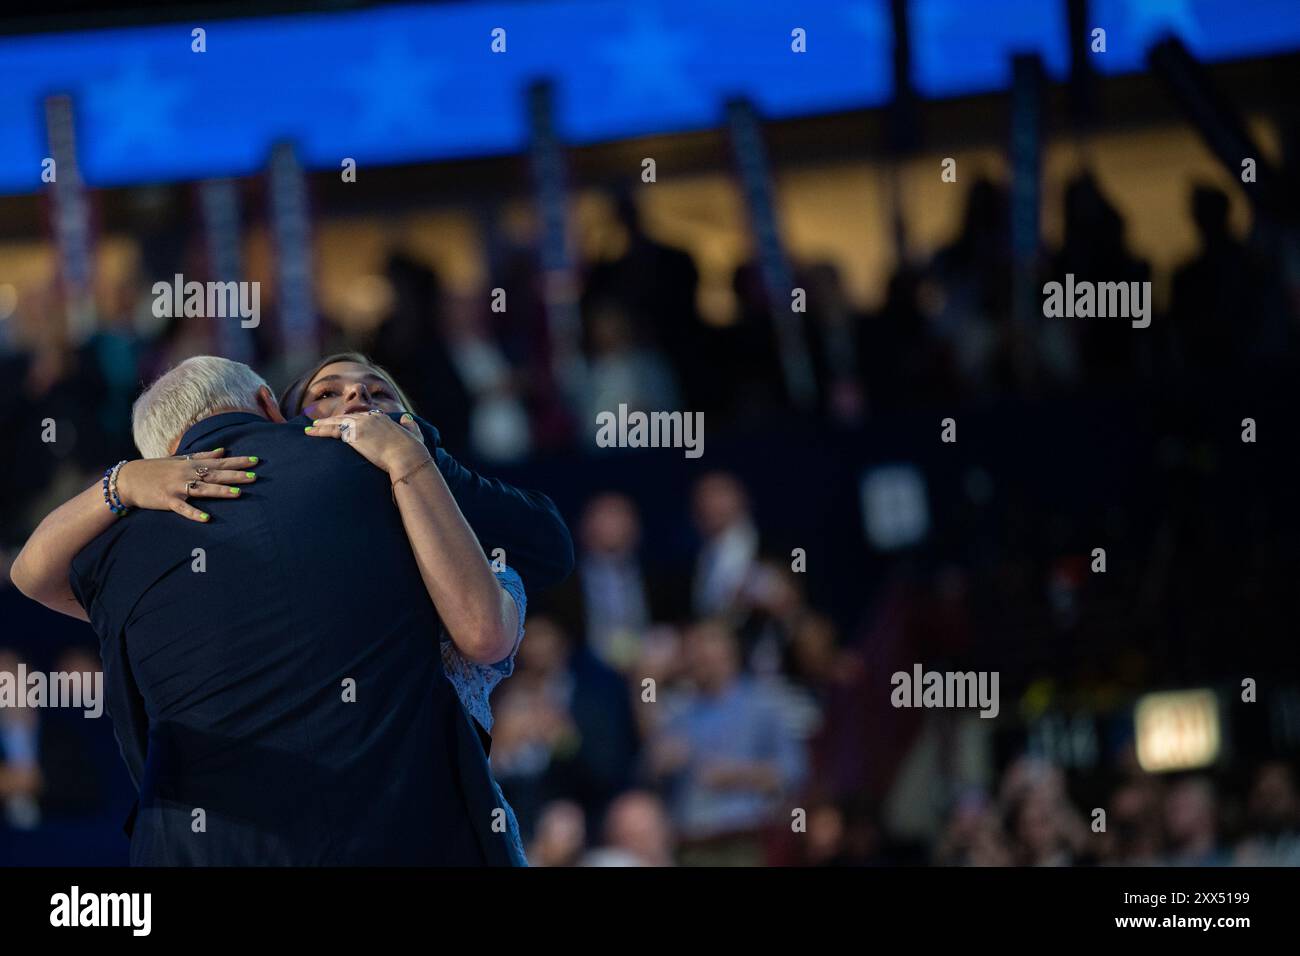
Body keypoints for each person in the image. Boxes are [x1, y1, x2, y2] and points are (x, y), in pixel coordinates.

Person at [10, 355, 572, 864]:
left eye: (378, 391)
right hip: (396, 832)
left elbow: (30, 575)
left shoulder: (397, 462)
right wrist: (124, 481)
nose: (356, 404)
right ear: (273, 410)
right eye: (327, 395)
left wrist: (120, 483)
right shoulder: (361, 476)